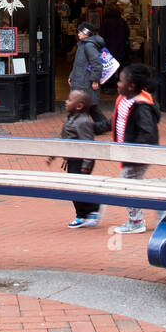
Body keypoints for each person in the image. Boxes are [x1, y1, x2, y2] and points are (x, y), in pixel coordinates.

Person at [111, 63, 161, 235]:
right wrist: (96, 127)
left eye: (120, 81)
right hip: (130, 153)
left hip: (138, 154)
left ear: (131, 86)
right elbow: (117, 121)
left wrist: (136, 151)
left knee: (127, 184)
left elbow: (147, 132)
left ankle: (136, 221)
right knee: (134, 183)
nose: (117, 84)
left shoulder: (141, 106)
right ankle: (160, 206)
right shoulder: (125, 100)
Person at [60, 89, 101, 229]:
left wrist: (87, 164)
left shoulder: (83, 122)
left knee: (76, 188)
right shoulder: (69, 118)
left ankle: (85, 213)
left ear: (79, 106)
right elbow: (63, 138)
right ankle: (88, 210)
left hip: (81, 160)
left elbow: (88, 144)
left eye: (70, 100)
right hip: (72, 159)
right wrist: (53, 154)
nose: (66, 102)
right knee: (75, 187)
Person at [69, 20, 109, 131]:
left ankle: (80, 129)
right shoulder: (83, 45)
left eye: (80, 31)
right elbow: (78, 63)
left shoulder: (89, 46)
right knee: (92, 107)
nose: (78, 34)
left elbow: (97, 64)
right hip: (82, 80)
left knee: (83, 106)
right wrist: (72, 75)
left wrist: (95, 80)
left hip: (85, 82)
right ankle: (104, 126)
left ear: (86, 33)